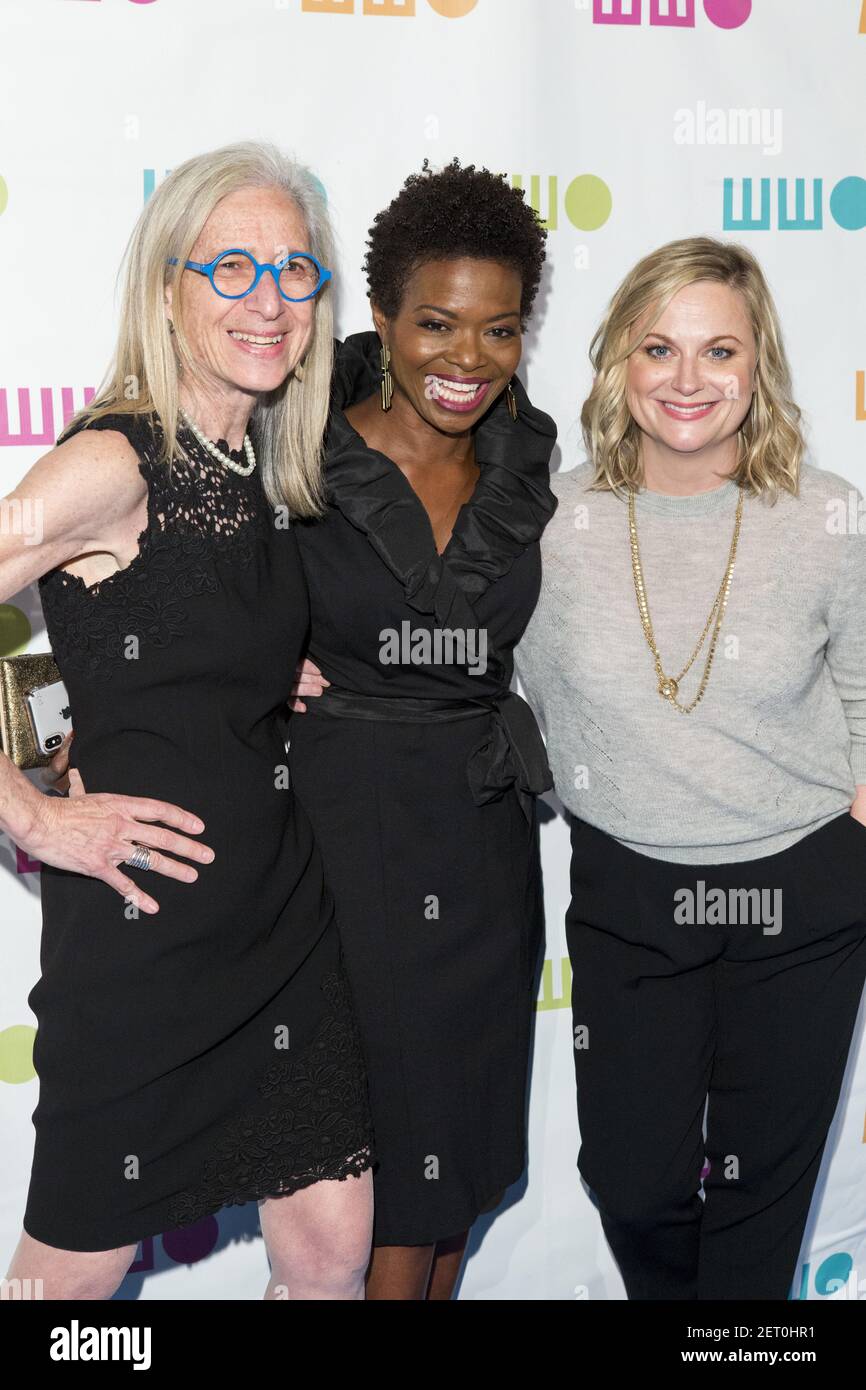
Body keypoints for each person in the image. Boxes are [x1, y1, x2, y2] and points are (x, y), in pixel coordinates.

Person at [1, 141, 374, 1301]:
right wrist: (29, 815)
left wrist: (269, 667)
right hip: (147, 941)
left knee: (328, 1254)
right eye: (231, 269)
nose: (267, 300)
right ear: (169, 286)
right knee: (64, 1289)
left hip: (280, 926)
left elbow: (170, 642)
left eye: (294, 272)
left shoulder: (260, 466)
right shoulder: (115, 462)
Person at [516, 235, 866, 1300]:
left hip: (799, 893)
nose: (685, 379)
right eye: (657, 348)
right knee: (632, 1184)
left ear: (758, 365)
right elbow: (460, 669)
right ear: (617, 359)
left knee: (760, 1199)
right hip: (629, 892)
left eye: (718, 351)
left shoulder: (824, 515)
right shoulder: (546, 521)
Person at [289, 159, 558, 1299]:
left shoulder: (527, 466)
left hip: (486, 843)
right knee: (395, 1165)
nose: (466, 359)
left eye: (498, 329)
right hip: (349, 842)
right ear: (383, 318)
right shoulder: (295, 454)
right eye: (436, 324)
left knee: (462, 1168)